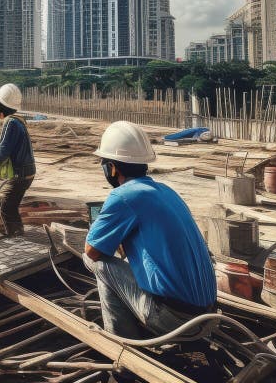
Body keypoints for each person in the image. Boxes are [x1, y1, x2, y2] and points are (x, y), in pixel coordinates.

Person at [83, 120, 217, 352]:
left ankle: (122, 348)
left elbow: (92, 250)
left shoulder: (123, 196)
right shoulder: (166, 191)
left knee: (98, 264)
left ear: (113, 168)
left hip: (174, 321)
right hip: (207, 317)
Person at [0, 83, 35, 236]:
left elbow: (3, 150)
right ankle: (18, 232)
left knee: (6, 208)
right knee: (12, 206)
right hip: (28, 172)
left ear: (1, 105)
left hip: (19, 174)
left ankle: (15, 236)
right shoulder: (19, 120)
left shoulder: (10, 122)